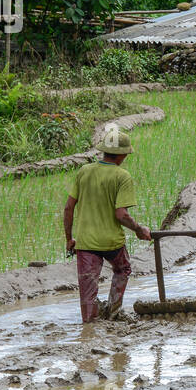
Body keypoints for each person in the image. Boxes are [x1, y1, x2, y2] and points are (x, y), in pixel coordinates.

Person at [63, 130, 152, 322]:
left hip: (86, 244)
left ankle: (88, 326)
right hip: (113, 243)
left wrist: (69, 239)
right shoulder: (122, 176)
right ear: (121, 155)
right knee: (122, 269)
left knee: (88, 288)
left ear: (104, 151)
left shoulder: (84, 171)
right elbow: (121, 214)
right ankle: (112, 312)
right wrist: (139, 229)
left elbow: (69, 208)